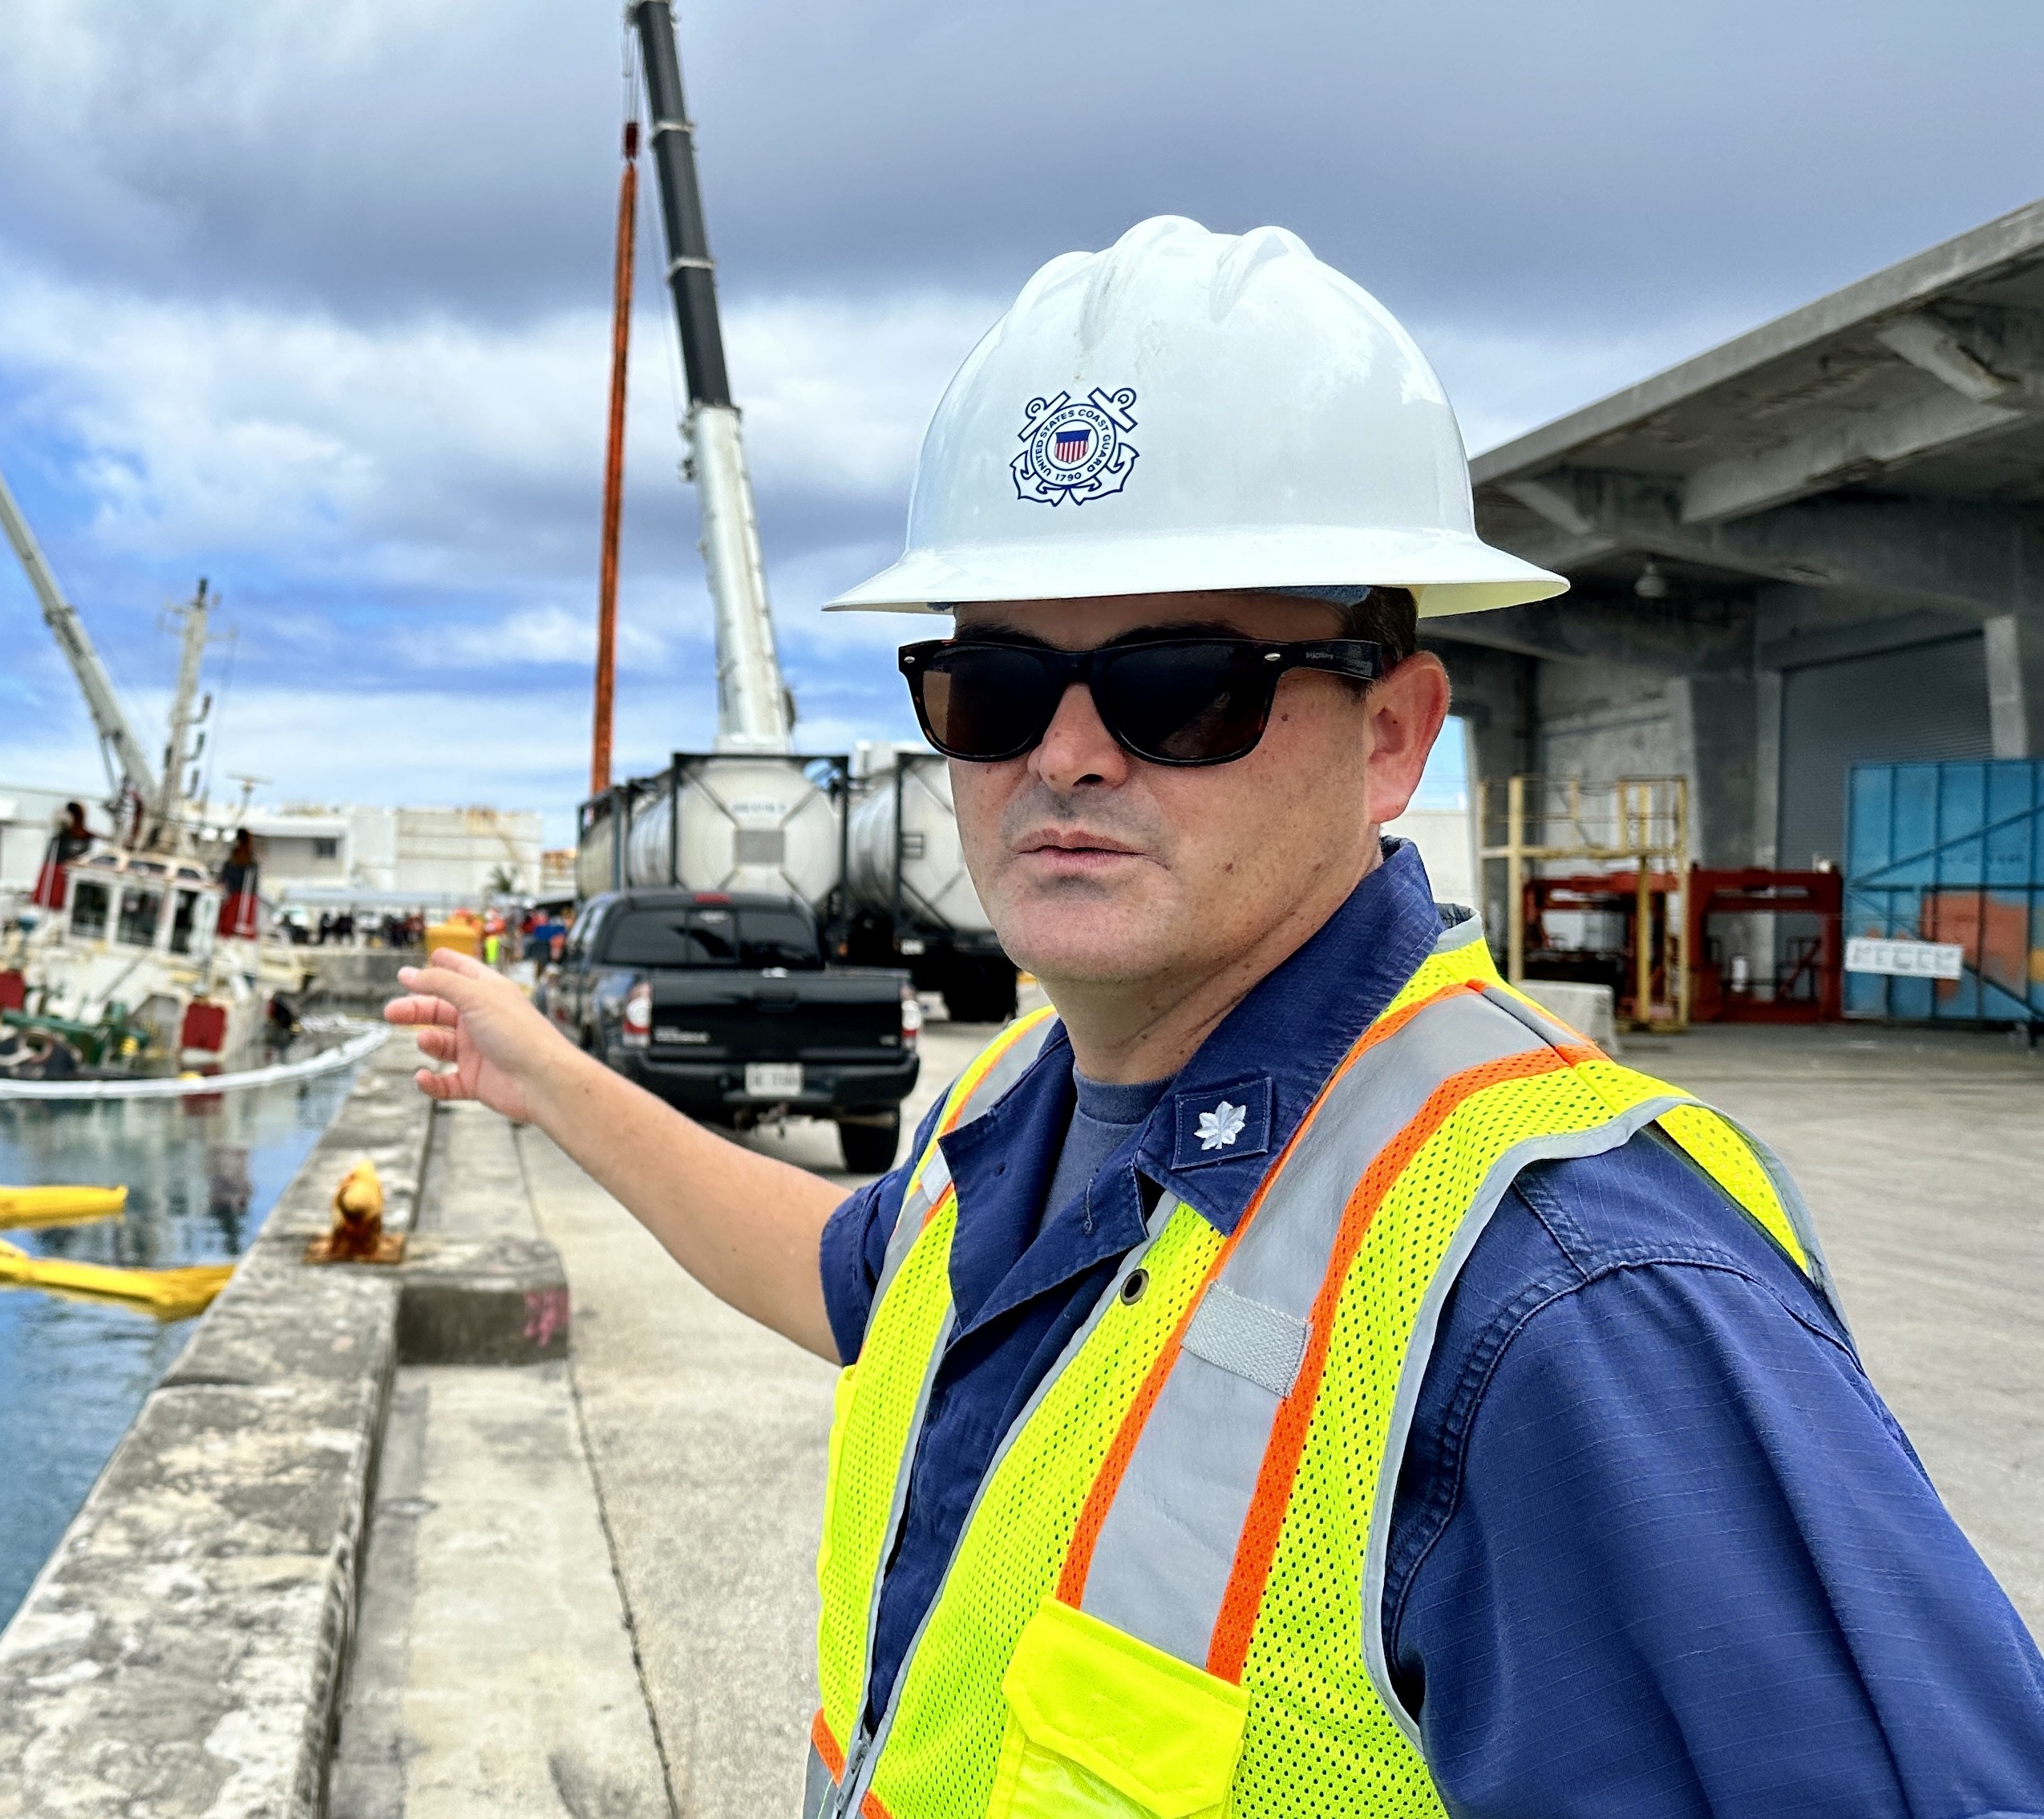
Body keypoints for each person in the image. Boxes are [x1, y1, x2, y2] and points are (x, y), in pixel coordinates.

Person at [387, 217, 2044, 1817]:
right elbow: (847, 1280)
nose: (1066, 755)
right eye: (995, 688)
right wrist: (547, 1075)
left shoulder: (1571, 1297)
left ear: (1391, 738)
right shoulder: (1025, 1099)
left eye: (1182, 687)